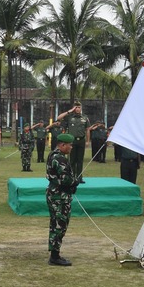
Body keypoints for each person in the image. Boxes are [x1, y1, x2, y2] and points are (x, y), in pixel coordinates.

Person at [46, 133, 79, 266]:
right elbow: (65, 179)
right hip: (59, 196)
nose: (71, 147)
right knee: (60, 225)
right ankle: (55, 256)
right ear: (62, 145)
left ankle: (55, 253)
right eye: (69, 145)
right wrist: (75, 182)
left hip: (56, 194)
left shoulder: (53, 155)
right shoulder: (60, 159)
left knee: (56, 224)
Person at [55, 102, 90, 182]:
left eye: (79, 107)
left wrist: (88, 141)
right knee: (72, 160)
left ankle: (79, 177)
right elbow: (59, 118)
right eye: (76, 107)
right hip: (72, 141)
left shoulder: (85, 117)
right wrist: (69, 111)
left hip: (81, 140)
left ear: (81, 108)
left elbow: (87, 129)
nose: (77, 109)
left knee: (80, 160)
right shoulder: (69, 116)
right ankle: (72, 176)